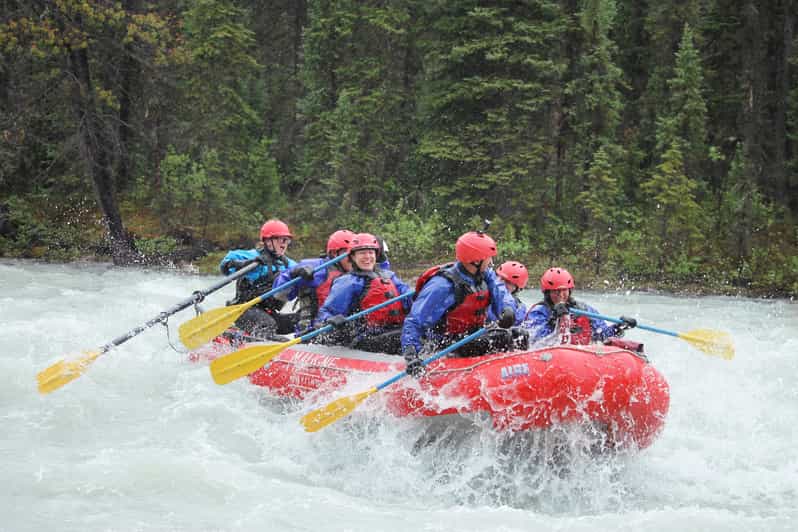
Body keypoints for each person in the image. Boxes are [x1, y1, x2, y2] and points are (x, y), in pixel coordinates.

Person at [400, 231, 520, 377]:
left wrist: (507, 308)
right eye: (488, 258)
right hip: (446, 343)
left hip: (473, 334)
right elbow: (414, 321)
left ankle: (516, 372)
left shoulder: (485, 274)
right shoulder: (441, 286)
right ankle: (502, 375)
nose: (491, 262)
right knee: (503, 338)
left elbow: (501, 291)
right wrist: (411, 355)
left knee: (519, 335)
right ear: (476, 261)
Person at [316, 233, 413, 354]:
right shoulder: (348, 282)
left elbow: (409, 296)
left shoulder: (389, 276)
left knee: (418, 331)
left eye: (371, 253)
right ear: (353, 257)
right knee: (404, 337)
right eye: (362, 253)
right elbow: (326, 312)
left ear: (376, 255)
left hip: (395, 330)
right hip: (365, 338)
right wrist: (330, 319)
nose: (367, 257)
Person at [219, 219, 298, 338]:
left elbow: (305, 270)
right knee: (267, 324)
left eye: (286, 240)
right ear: (268, 241)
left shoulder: (289, 264)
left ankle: (307, 345)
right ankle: (260, 340)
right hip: (243, 311)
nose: (284, 244)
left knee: (301, 320)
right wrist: (246, 263)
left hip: (270, 313)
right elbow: (225, 266)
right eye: (280, 239)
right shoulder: (252, 256)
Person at [522, 267, 637, 345]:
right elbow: (534, 340)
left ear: (570, 290)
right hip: (550, 358)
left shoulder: (583, 309)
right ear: (547, 293)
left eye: (564, 290)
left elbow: (602, 334)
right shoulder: (539, 312)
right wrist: (555, 321)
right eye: (556, 291)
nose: (561, 295)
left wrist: (619, 327)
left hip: (580, 359)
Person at [272, 229, 355, 332]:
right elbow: (278, 294)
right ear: (334, 253)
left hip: (342, 330)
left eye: (354, 253)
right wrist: (293, 274)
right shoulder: (316, 268)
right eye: (348, 253)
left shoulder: (359, 275)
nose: (353, 258)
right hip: (311, 332)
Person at [490, 261, 529, 326]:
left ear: (516, 288)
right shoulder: (486, 293)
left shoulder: (520, 309)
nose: (500, 283)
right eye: (499, 277)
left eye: (507, 282)